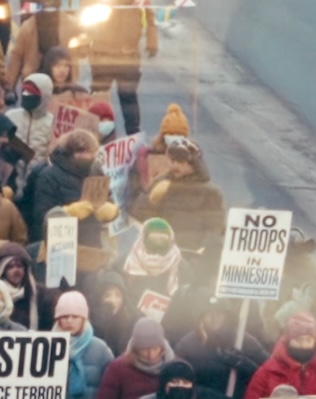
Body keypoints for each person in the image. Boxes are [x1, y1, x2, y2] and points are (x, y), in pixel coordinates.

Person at [131, 139, 226, 255]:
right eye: (172, 160)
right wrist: (150, 200)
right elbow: (139, 218)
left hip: (193, 256)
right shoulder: (161, 184)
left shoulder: (210, 193)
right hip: (161, 254)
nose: (174, 165)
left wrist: (203, 251)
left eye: (180, 161)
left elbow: (216, 229)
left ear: (193, 163)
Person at [242, 311, 316, 399]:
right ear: (287, 340)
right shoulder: (267, 372)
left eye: (309, 340)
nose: (304, 345)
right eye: (299, 340)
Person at [87, 6, 156, 135]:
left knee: (128, 97)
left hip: (128, 55)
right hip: (102, 53)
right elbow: (87, 10)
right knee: (99, 98)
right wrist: (83, 41)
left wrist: (152, 38)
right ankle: (94, 138)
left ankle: (133, 139)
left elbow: (148, 11)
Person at [94, 318, 176, 399]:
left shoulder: (174, 367)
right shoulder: (118, 368)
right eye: (144, 349)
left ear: (162, 347)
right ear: (136, 348)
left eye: (155, 349)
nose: (150, 355)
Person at [55, 291, 114, 399]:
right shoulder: (46, 347)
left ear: (83, 319)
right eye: (65, 316)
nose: (69, 321)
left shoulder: (101, 350)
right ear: (58, 319)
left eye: (75, 316)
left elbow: (110, 392)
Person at [122, 218, 183, 299]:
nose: (158, 244)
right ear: (143, 239)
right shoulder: (127, 262)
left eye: (162, 239)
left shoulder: (179, 264)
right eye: (153, 239)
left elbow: (186, 296)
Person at [6, 74, 55, 170]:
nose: (25, 95)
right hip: (12, 177)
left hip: (38, 178)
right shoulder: (11, 116)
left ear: (44, 96)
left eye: (31, 93)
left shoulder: (52, 123)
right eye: (24, 91)